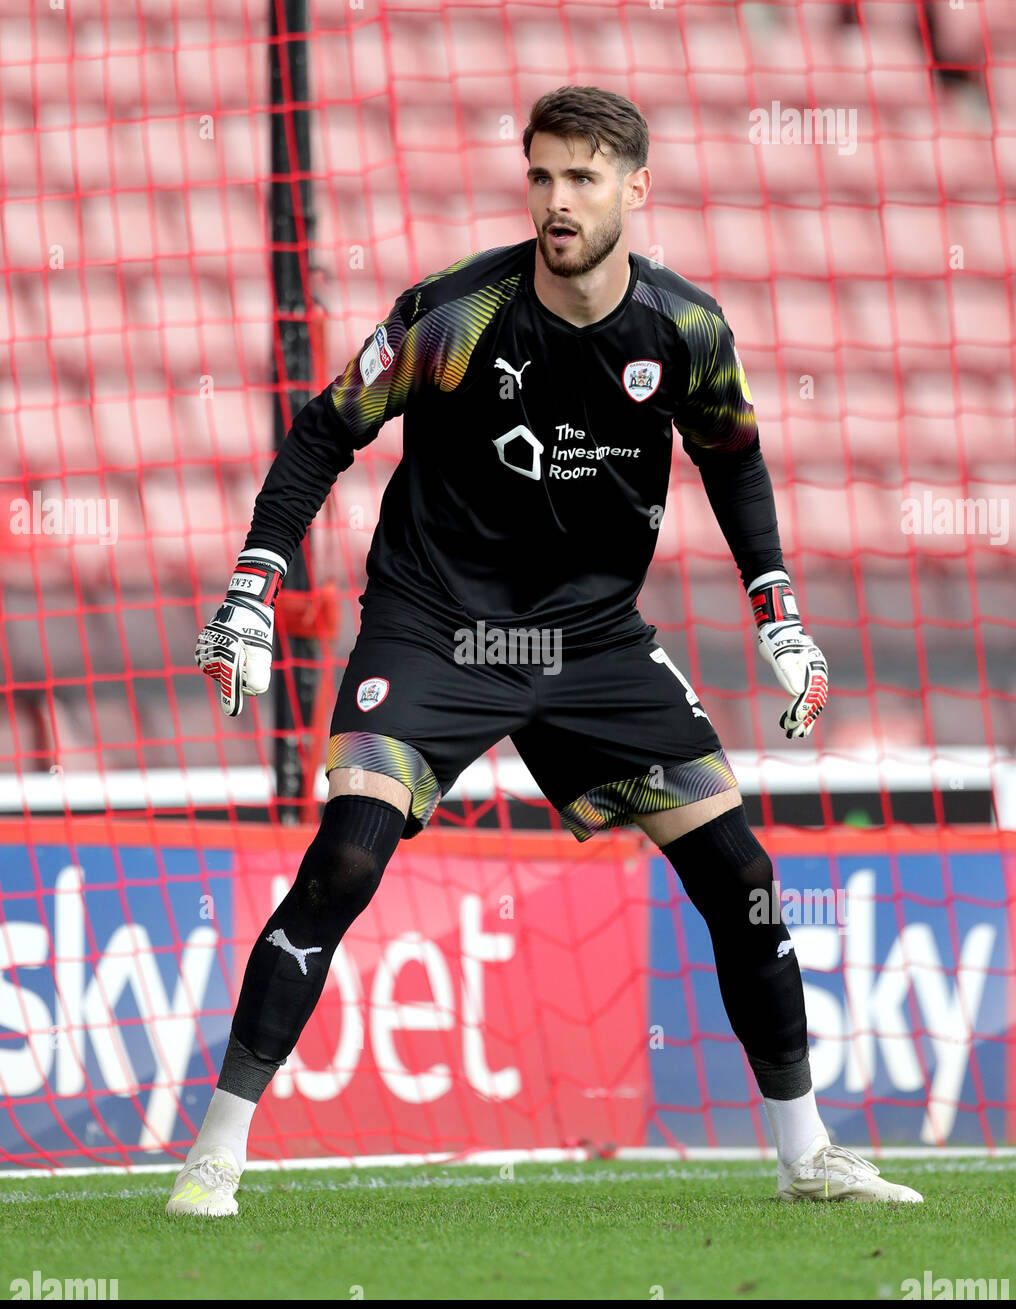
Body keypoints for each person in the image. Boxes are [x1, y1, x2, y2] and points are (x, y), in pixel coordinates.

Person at [168, 86, 921, 1215]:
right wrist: (250, 587)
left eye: (579, 178)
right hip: (436, 625)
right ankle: (216, 1151)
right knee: (347, 856)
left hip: (593, 644)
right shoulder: (458, 312)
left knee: (745, 884)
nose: (555, 201)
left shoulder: (684, 329)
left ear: (634, 189)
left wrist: (778, 613)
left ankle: (804, 1153)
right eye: (540, 176)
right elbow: (328, 427)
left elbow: (733, 459)